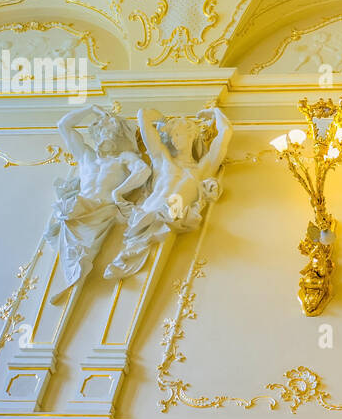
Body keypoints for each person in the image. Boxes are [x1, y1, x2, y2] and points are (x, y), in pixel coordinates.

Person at [105, 106, 231, 280]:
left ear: (192, 135)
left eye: (178, 134)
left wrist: (215, 112)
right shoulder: (162, 159)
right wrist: (165, 121)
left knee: (148, 270)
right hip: (145, 215)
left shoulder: (202, 170)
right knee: (132, 271)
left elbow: (225, 134)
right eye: (171, 136)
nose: (173, 139)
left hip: (169, 219)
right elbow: (143, 115)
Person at [45, 105, 149, 303]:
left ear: (118, 136)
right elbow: (64, 125)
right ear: (96, 134)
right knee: (75, 258)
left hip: (102, 212)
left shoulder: (123, 158)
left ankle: (74, 283)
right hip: (77, 212)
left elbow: (143, 171)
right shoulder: (86, 156)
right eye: (102, 131)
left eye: (111, 131)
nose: (106, 135)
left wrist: (119, 191)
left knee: (84, 258)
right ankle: (72, 285)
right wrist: (91, 108)